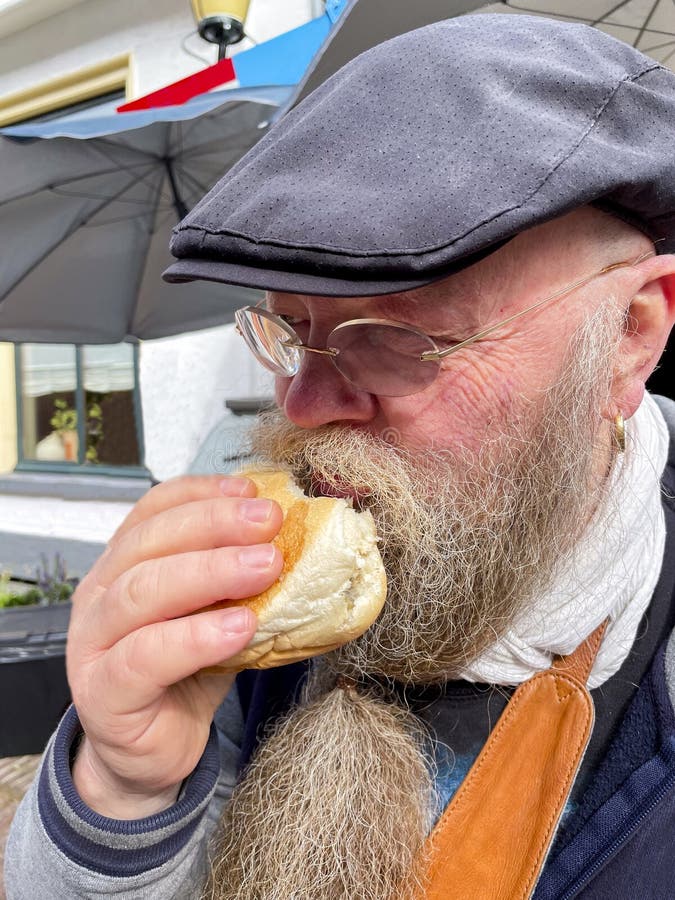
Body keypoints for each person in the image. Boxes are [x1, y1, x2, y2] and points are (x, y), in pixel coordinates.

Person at [6, 13, 675, 900]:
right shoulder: (257, 608)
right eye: (290, 331)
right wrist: (124, 793)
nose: (303, 408)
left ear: (628, 335)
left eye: (394, 342)